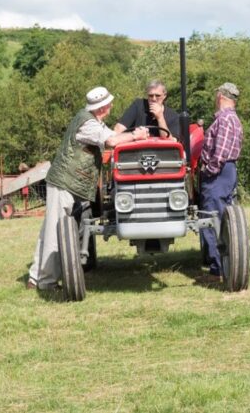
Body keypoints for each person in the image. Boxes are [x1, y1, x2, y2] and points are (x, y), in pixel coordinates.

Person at [28, 86, 148, 290]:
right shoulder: (88, 124)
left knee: (52, 228)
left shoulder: (92, 121)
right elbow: (111, 140)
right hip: (65, 182)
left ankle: (36, 277)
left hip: (68, 183)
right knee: (55, 230)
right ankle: (45, 281)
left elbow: (112, 135)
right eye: (109, 103)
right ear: (103, 107)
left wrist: (131, 135)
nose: (111, 106)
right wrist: (136, 136)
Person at [199, 82, 243, 281]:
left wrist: (209, 170)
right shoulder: (234, 119)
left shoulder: (224, 119)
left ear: (221, 96)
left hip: (219, 173)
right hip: (228, 171)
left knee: (212, 217)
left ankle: (218, 268)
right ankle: (227, 263)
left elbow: (221, 151)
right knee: (225, 217)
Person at [114, 80, 181, 139]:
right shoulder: (138, 105)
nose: (154, 99)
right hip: (136, 150)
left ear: (164, 96)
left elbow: (171, 142)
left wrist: (160, 117)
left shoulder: (173, 116)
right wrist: (133, 135)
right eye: (151, 96)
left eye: (157, 96)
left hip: (160, 152)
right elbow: (118, 130)